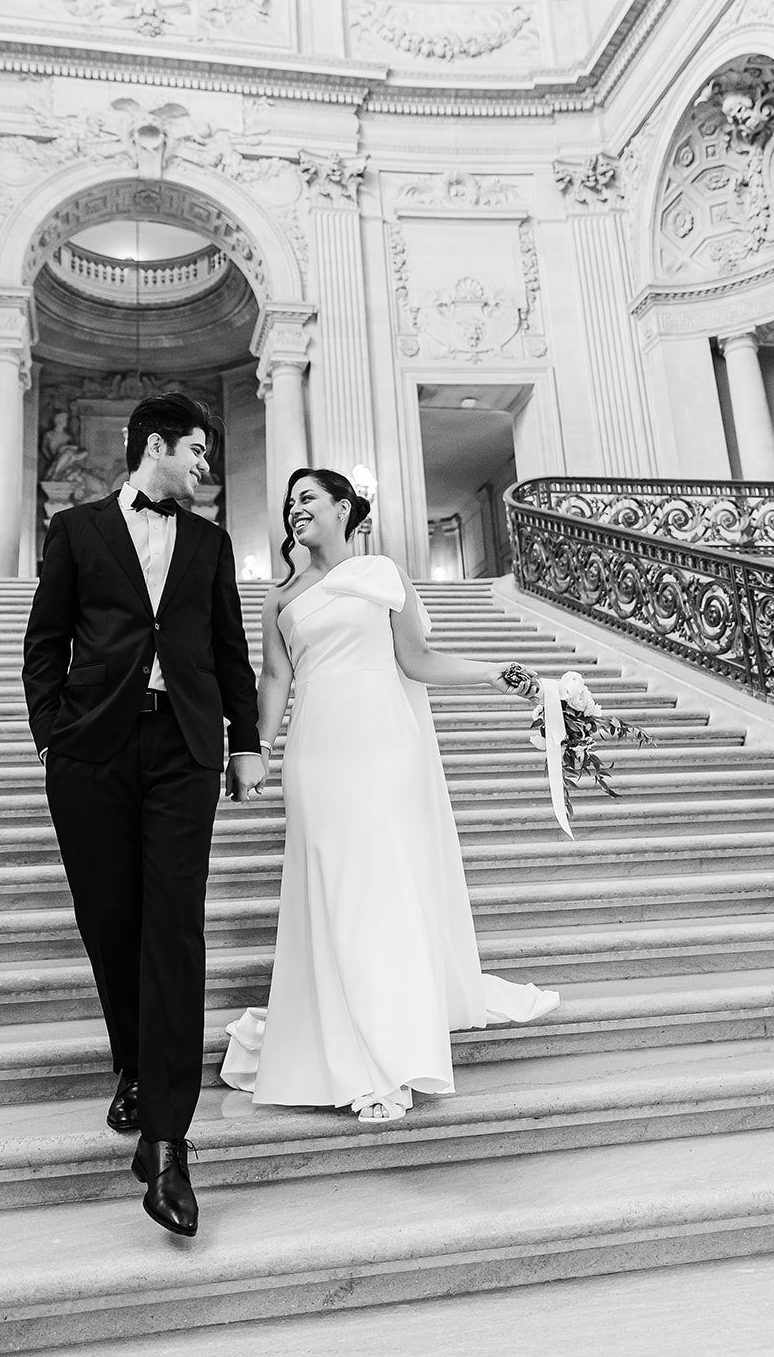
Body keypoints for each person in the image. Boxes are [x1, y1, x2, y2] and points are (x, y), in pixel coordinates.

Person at [221, 468, 559, 1122]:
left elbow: (418, 660)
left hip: (386, 747)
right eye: (289, 503)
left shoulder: (382, 573)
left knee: (386, 897)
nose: (295, 510)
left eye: (308, 499)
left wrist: (496, 672)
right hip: (318, 754)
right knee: (337, 897)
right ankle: (350, 1048)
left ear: (343, 507)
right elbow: (272, 681)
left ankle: (394, 1059)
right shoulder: (280, 596)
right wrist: (253, 751)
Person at [23, 393, 264, 1237]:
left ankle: (168, 1140)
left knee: (173, 928)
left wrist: (245, 744)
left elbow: (229, 648)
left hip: (183, 753)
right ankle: (132, 1061)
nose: (206, 467)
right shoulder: (77, 529)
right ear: (154, 447)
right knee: (111, 920)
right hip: (92, 750)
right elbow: (45, 638)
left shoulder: (210, 542)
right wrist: (52, 732)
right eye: (197, 451)